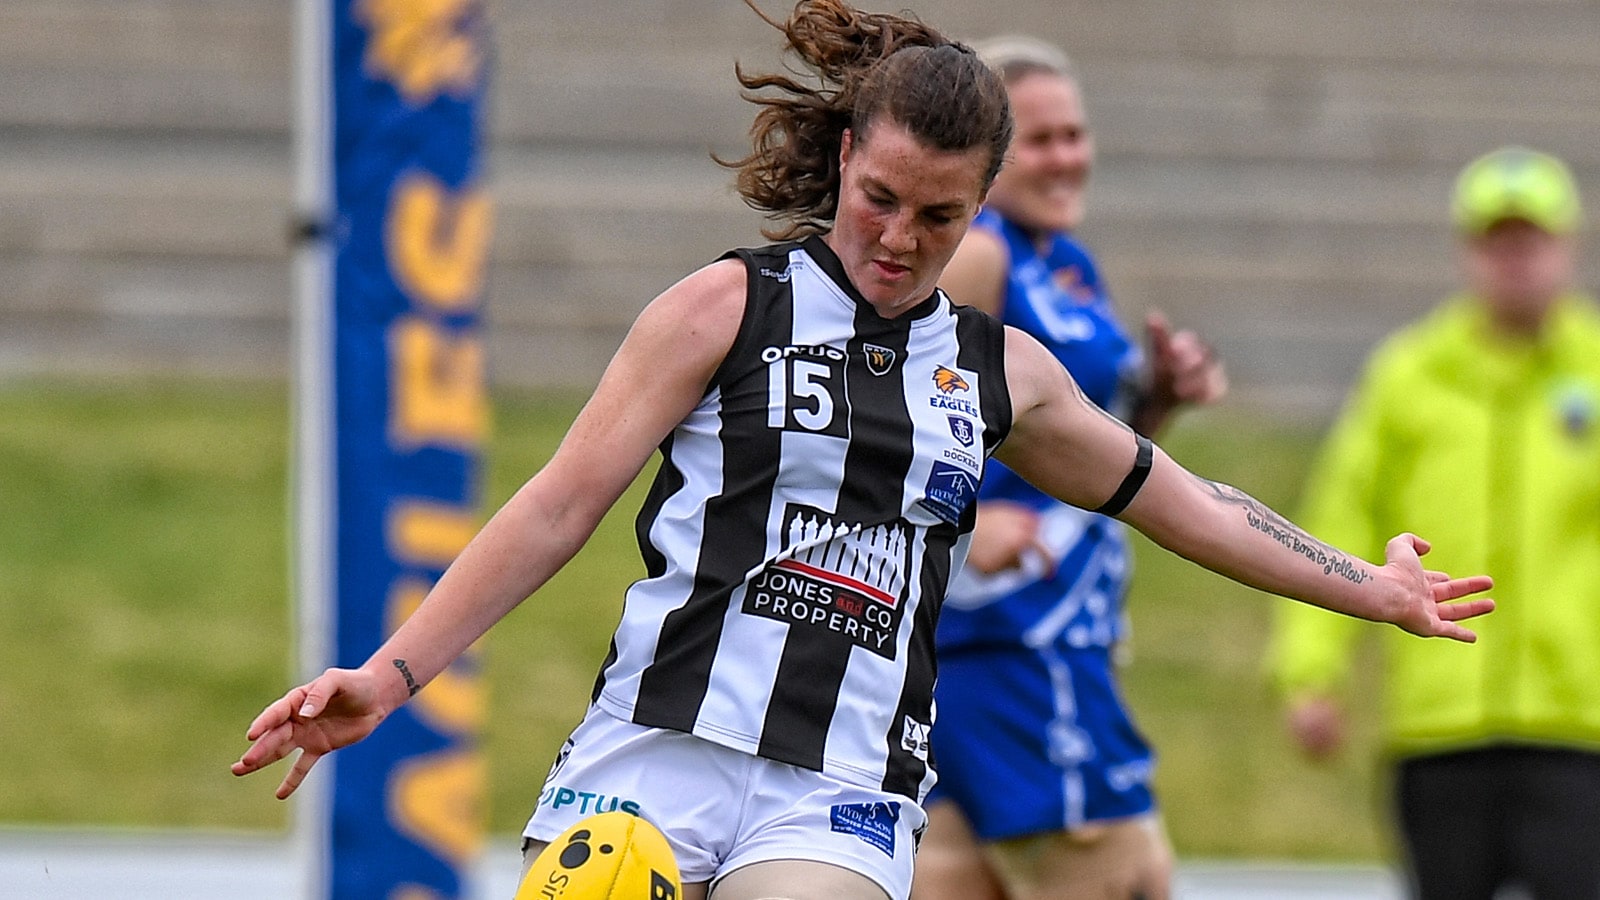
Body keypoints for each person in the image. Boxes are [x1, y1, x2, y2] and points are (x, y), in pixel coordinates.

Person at [233, 3, 1495, 898]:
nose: (898, 235)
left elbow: (1185, 502)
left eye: (939, 215)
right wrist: (392, 677)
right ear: (845, 158)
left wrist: (1365, 587)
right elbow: (557, 507)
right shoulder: (719, 310)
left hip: (834, 790)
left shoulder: (1004, 374)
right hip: (651, 752)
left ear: (980, 206)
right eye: (880, 197)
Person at [912, 36, 1224, 900]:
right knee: (1126, 877)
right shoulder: (983, 255)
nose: (1066, 157)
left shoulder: (1068, 264)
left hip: (1040, 627)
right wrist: (965, 529)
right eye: (1040, 140)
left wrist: (1158, 400)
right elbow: (901, 417)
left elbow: (1067, 443)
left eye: (1075, 135)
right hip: (1014, 643)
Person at [1267, 146, 1600, 900]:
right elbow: (1339, 519)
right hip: (1440, 725)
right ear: (1468, 251)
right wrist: (1310, 669)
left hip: (1579, 726)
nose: (1515, 261)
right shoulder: (1409, 375)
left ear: (1567, 246)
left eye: (1532, 240)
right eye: (1497, 241)